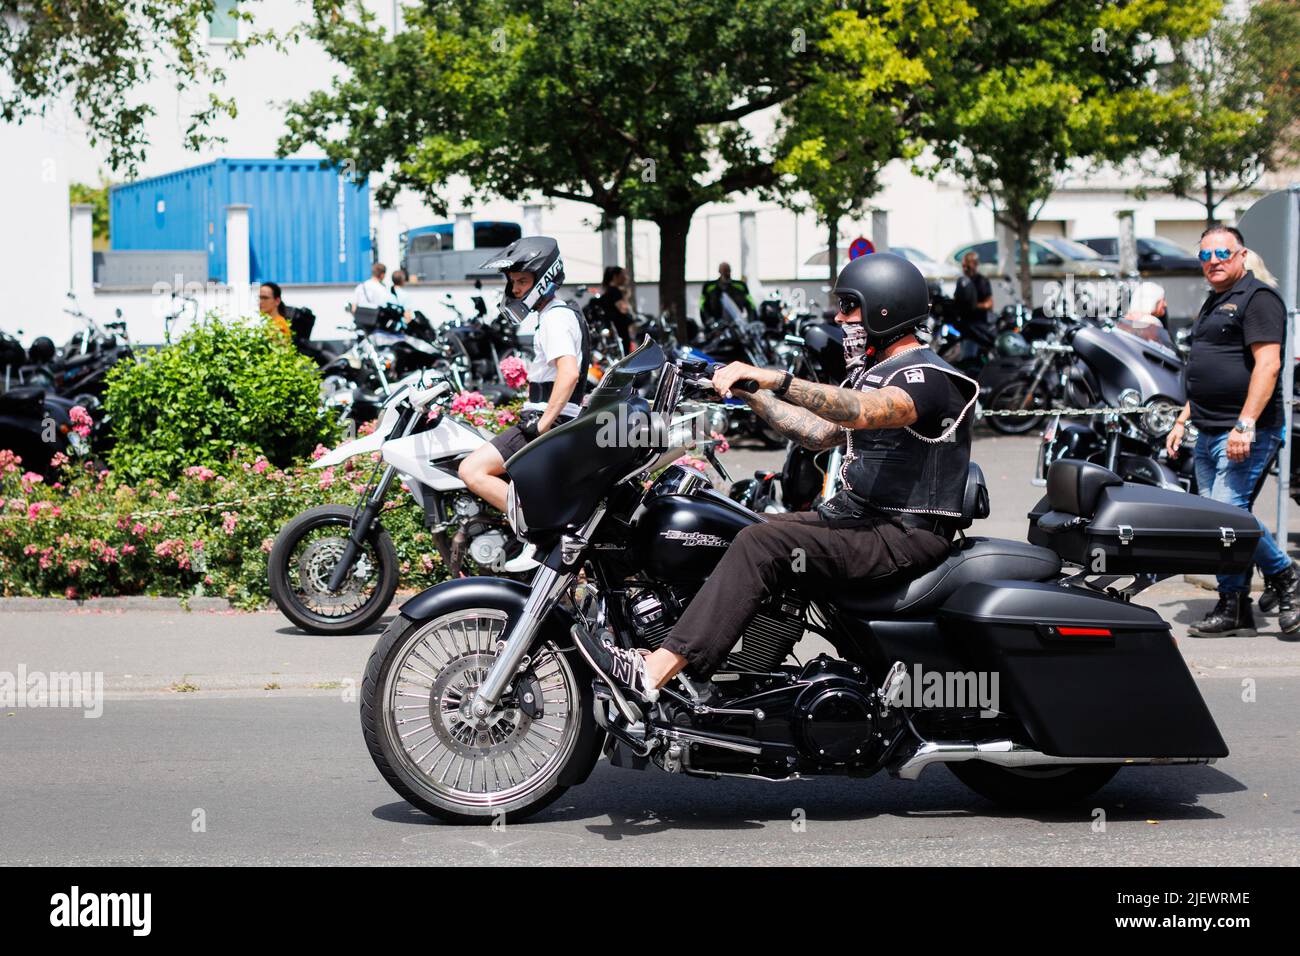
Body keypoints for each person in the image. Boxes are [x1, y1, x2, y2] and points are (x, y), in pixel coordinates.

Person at [578, 253, 980, 701]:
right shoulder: (878, 373)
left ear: (885, 309)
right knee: (740, 529)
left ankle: (655, 671)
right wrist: (753, 396)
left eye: (849, 307)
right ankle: (737, 678)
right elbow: (819, 433)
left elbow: (863, 413)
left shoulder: (926, 376)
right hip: (863, 522)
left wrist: (775, 379)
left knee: (761, 544)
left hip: (901, 533)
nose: (839, 318)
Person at [1166, 225, 1297, 639]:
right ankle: (1234, 605)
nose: (1214, 261)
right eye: (1205, 256)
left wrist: (1245, 424)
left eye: (1222, 253)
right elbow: (1207, 369)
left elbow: (1268, 366)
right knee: (1219, 524)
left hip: (1243, 432)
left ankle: (1286, 576)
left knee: (1227, 514)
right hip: (1207, 429)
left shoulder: (1258, 299)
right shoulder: (1214, 301)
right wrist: (1183, 418)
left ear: (1241, 255)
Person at [457, 236, 591, 514]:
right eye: (513, 282)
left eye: (523, 281)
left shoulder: (556, 318)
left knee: (471, 470)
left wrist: (543, 424)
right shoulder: (554, 315)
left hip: (551, 423)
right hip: (554, 420)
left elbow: (568, 374)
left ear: (544, 278)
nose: (516, 290)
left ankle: (539, 522)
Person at [585, 266, 634, 353]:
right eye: (623, 275)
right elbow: (623, 309)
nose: (626, 278)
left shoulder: (607, 291)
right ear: (615, 276)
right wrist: (626, 296)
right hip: (619, 330)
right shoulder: (615, 292)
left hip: (611, 331)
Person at [953, 251, 994, 351]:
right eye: (963, 266)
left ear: (975, 265)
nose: (965, 269)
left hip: (978, 325)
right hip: (964, 325)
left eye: (968, 266)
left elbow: (989, 303)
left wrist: (975, 306)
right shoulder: (962, 282)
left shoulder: (982, 281)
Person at [698, 262, 757, 328]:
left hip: (736, 322)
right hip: (717, 323)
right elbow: (702, 305)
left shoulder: (740, 286)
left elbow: (750, 304)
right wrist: (709, 320)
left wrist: (752, 321)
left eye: (728, 270)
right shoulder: (709, 286)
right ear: (719, 271)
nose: (726, 273)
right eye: (724, 270)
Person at [1117, 280, 1172, 346]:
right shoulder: (1151, 322)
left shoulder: (1125, 319)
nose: (1165, 304)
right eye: (1162, 300)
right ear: (1153, 301)